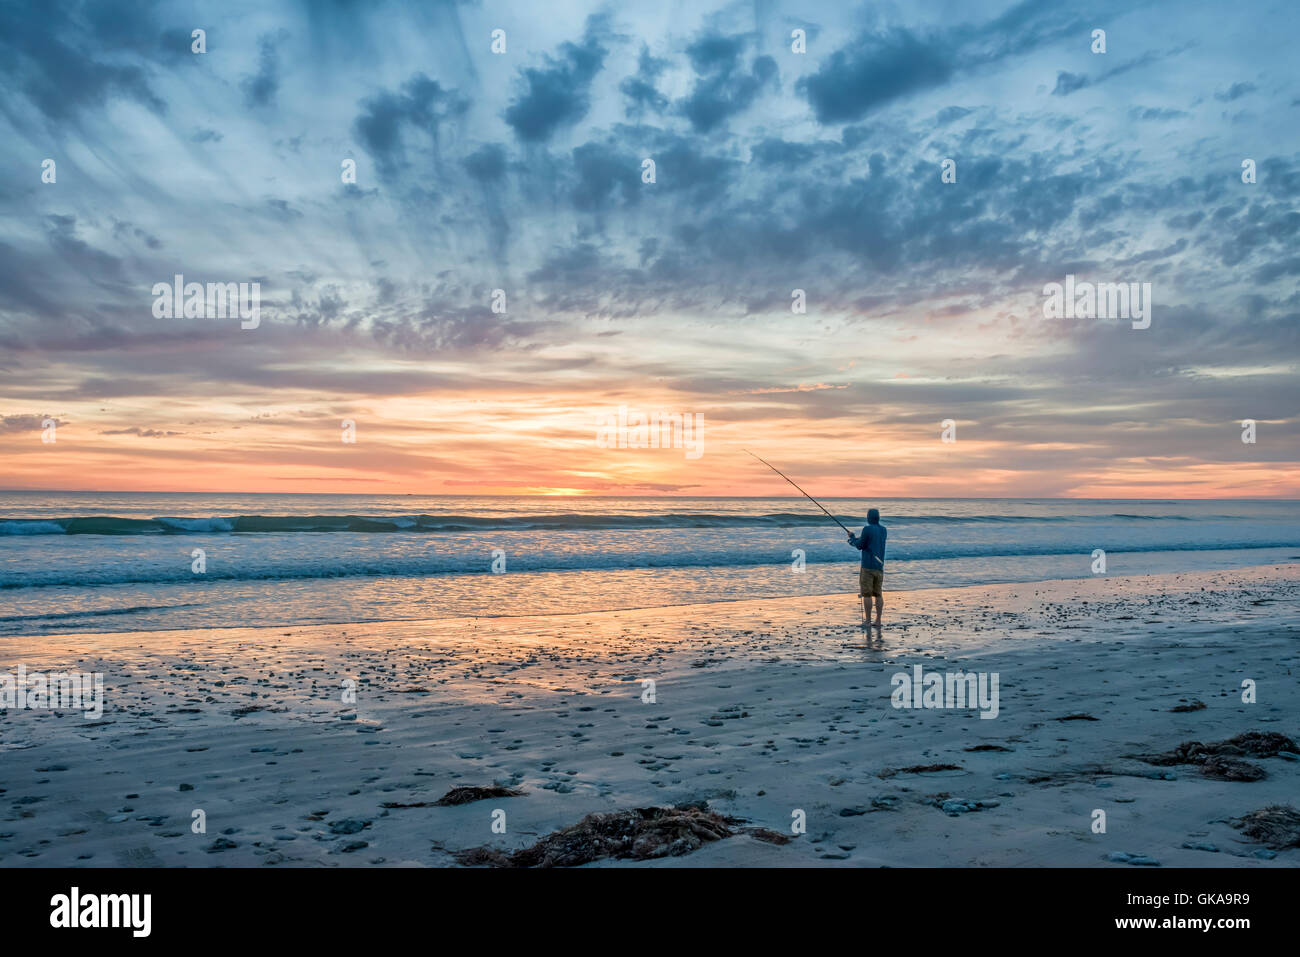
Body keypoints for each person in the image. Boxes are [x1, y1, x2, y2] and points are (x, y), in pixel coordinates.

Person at [848, 508, 887, 627]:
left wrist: (852, 539)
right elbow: (869, 541)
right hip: (879, 566)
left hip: (868, 566)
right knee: (878, 594)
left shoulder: (867, 529)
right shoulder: (883, 530)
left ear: (868, 518)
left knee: (867, 594)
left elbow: (860, 545)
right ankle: (878, 620)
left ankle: (868, 621)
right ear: (878, 517)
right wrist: (855, 538)